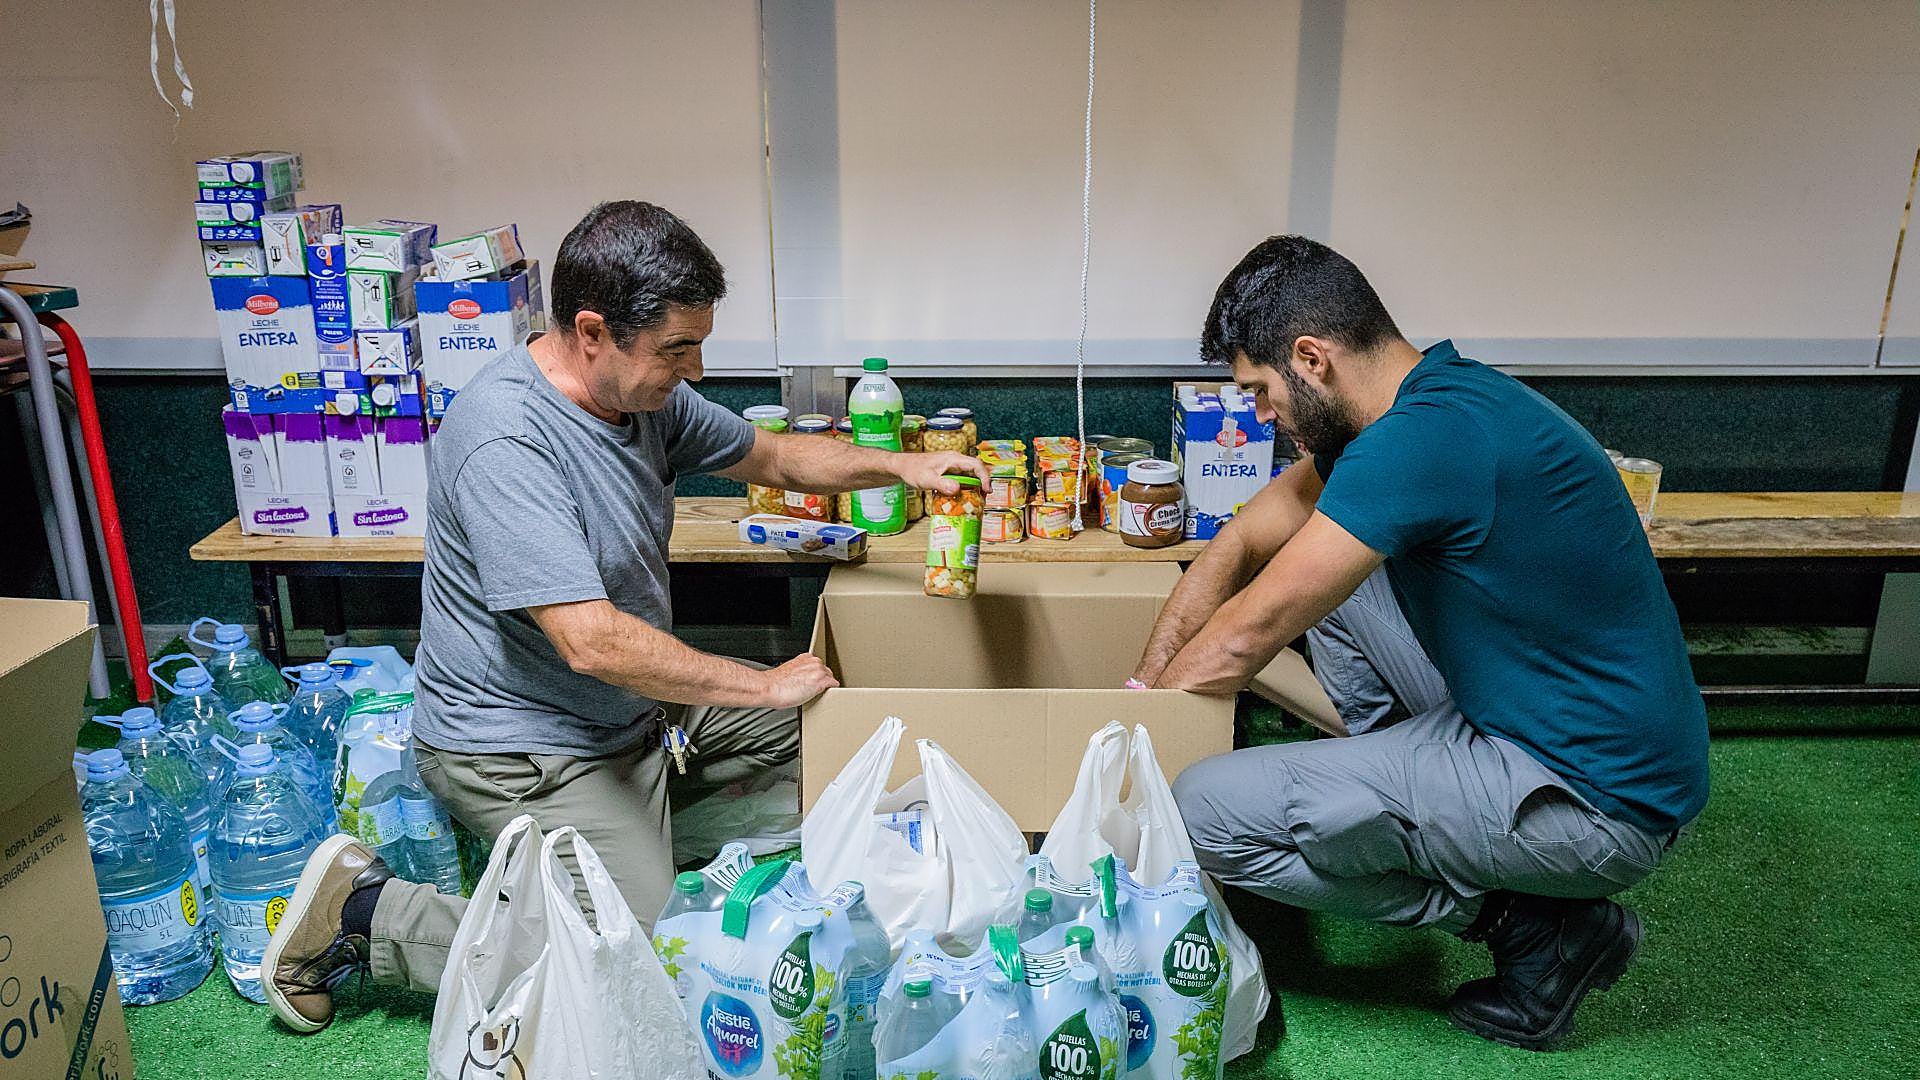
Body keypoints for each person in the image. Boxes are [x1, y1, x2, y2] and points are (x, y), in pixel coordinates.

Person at [261, 201, 986, 1033]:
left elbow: (776, 454)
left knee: (844, 726)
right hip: (525, 745)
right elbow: (591, 640)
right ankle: (364, 916)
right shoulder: (506, 436)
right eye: (679, 349)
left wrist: (906, 464)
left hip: (638, 716)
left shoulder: (642, 397)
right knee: (646, 955)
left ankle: (638, 841)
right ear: (593, 331)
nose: (698, 369)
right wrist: (760, 686)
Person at [1133, 236, 1709, 1051]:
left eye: (1262, 392)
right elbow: (1239, 543)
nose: (1261, 416)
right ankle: (1400, 796)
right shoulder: (1427, 404)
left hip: (1595, 801)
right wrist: (1145, 685)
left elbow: (1245, 634)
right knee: (1330, 563)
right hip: (1529, 714)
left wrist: (1134, 759)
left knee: (1200, 811)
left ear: (1311, 358)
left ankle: (1529, 924)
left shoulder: (1422, 443)